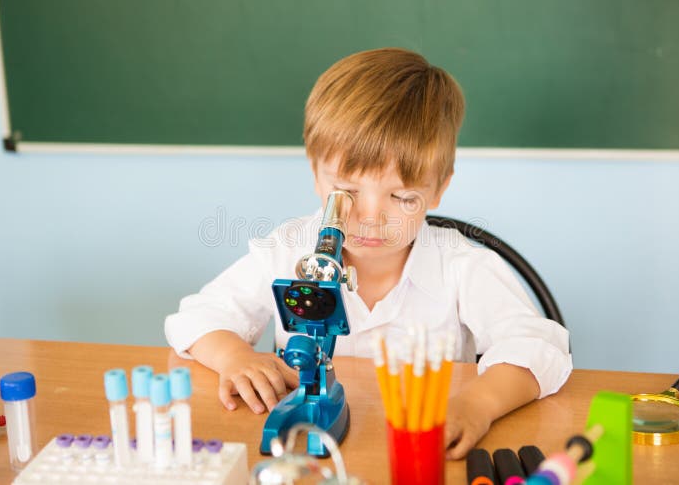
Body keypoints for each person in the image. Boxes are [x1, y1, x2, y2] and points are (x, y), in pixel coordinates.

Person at [165, 47, 572, 459]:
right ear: (315, 173)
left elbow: (539, 347)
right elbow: (197, 316)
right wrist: (234, 356)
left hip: (412, 451)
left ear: (440, 188)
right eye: (346, 193)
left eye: (402, 197)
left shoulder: (462, 266)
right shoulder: (288, 248)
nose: (371, 218)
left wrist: (477, 405)